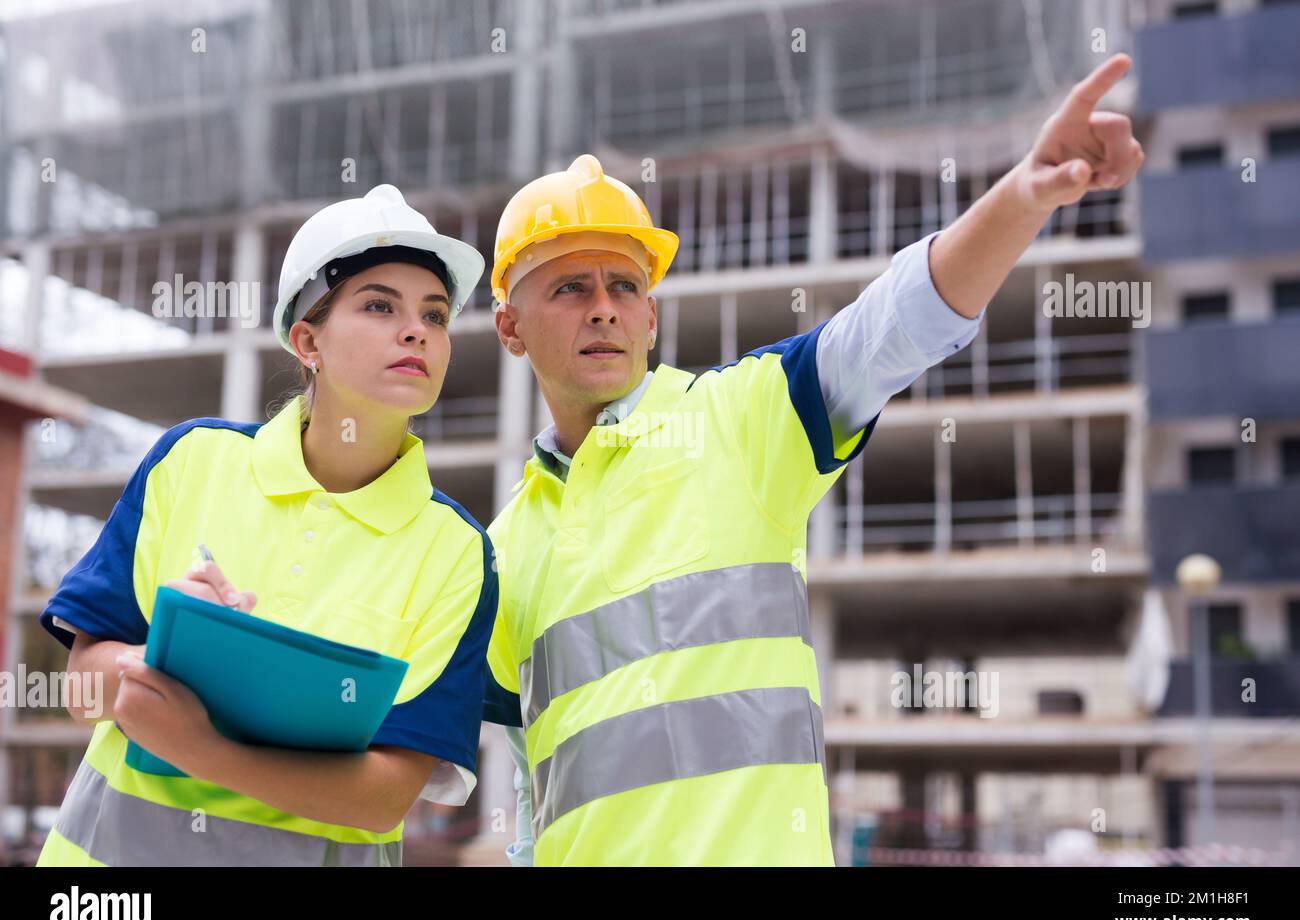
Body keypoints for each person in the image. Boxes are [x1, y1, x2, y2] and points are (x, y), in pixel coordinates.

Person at [481, 54, 1144, 865]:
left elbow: (895, 325)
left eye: (624, 287)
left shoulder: (740, 419)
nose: (604, 310)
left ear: (651, 318)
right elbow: (525, 781)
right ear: (511, 328)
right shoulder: (501, 552)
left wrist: (1025, 192)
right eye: (570, 288)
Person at [37, 184, 496, 866]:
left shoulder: (456, 552)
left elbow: (385, 798)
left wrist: (199, 744)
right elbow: (80, 687)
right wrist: (158, 660)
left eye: (435, 315)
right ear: (307, 339)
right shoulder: (191, 460)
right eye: (379, 305)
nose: (417, 330)